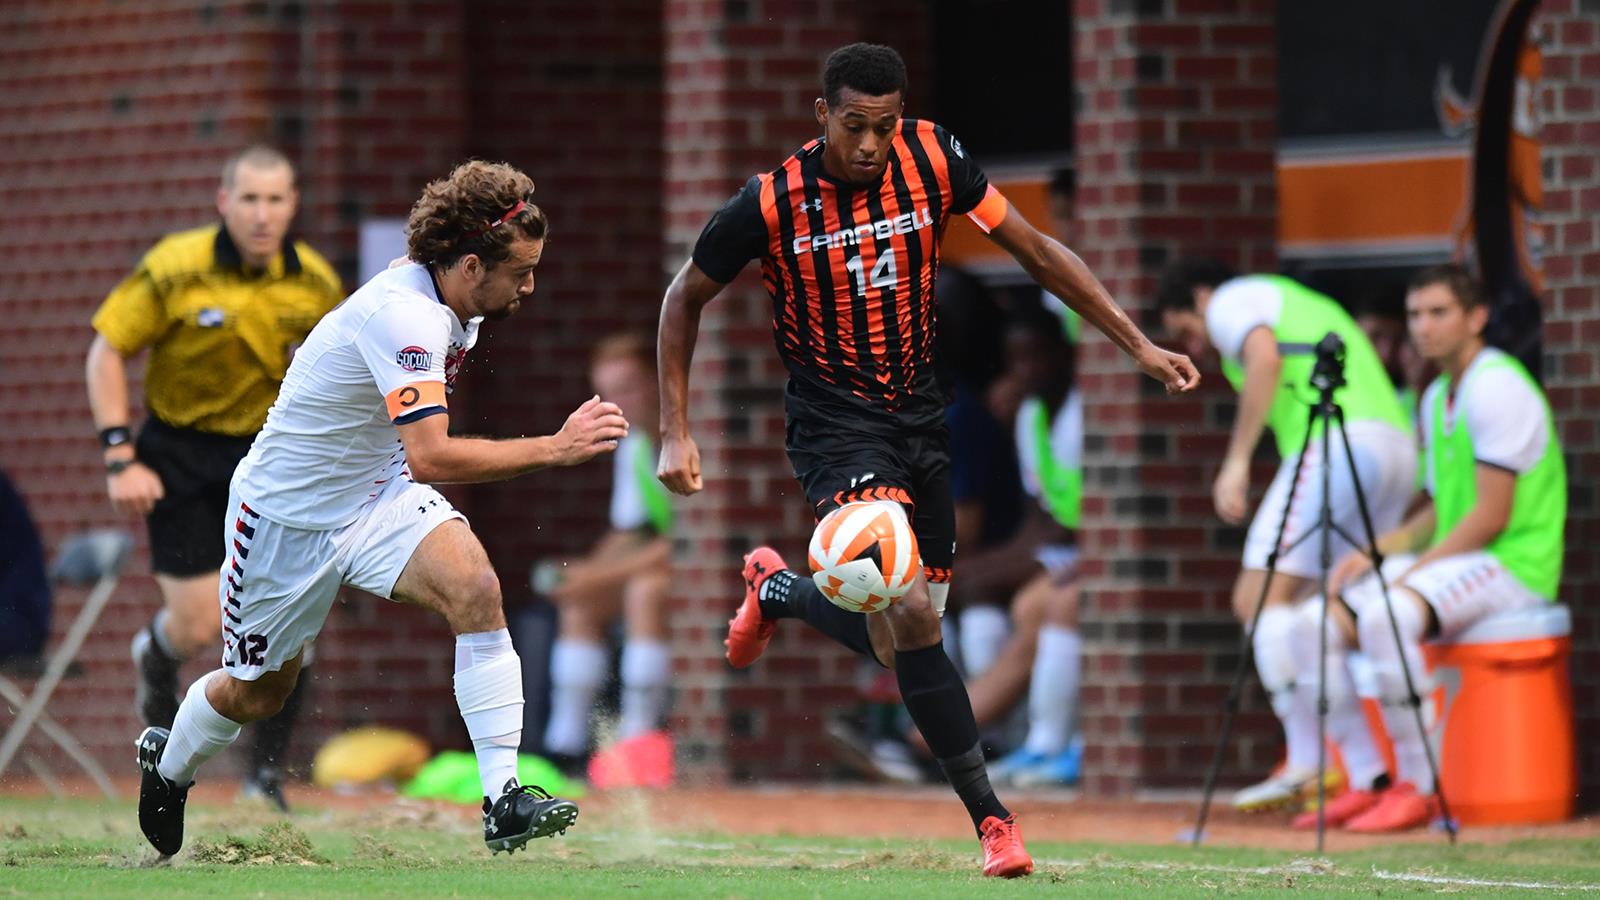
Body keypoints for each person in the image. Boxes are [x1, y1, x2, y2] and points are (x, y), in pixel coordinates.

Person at [656, 43, 1199, 878]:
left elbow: (1036, 250)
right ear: (822, 115)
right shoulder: (769, 203)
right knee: (908, 612)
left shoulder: (938, 159)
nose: (870, 144)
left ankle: (782, 592)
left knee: (901, 634)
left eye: (884, 125)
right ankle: (994, 823)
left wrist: (1137, 345)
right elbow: (682, 297)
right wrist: (675, 429)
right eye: (853, 126)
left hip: (923, 415)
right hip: (836, 427)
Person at [135, 160, 621, 858]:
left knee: (477, 588)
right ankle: (170, 766)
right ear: (471, 264)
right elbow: (433, 455)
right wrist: (557, 447)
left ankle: (504, 799)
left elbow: (411, 464)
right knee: (257, 694)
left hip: (378, 497)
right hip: (284, 521)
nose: (530, 285)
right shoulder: (410, 318)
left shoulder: (445, 288)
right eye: (520, 271)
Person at [86, 145, 344, 809]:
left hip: (267, 459)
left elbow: (343, 371)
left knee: (290, 625)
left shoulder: (313, 282)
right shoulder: (176, 267)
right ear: (223, 202)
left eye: (276, 200)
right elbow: (106, 351)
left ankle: (264, 781)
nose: (262, 215)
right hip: (178, 455)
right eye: (249, 199)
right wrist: (121, 454)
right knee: (201, 628)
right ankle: (158, 650)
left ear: (293, 206)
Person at [1289, 263, 1566, 833]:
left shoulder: (1497, 385)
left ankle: (1421, 788)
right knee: (1309, 624)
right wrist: (1381, 550)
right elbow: (1444, 506)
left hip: (1514, 564)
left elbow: (1491, 515)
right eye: (1415, 314)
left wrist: (1407, 573)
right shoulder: (1438, 393)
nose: (1423, 327)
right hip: (1462, 560)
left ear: (1477, 317)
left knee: (1386, 615)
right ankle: (1370, 780)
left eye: (1439, 312)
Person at [1156, 259, 1417, 812]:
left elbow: (1264, 357)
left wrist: (1236, 462)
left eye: (1184, 329)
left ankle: (1309, 759)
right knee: (1313, 609)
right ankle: (1367, 778)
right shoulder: (1288, 297)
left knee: (1256, 597)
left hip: (1339, 446)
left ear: (1200, 296)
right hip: (1393, 448)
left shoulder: (1230, 300)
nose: (1192, 345)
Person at [541, 332, 675, 777]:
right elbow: (629, 534)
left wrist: (598, 577)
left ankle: (639, 738)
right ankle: (567, 746)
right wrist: (585, 574)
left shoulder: (684, 437)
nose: (619, 403)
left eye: (629, 389)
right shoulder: (634, 446)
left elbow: (683, 546)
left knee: (644, 591)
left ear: (658, 384)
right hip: (659, 564)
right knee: (580, 601)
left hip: (704, 579)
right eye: (609, 394)